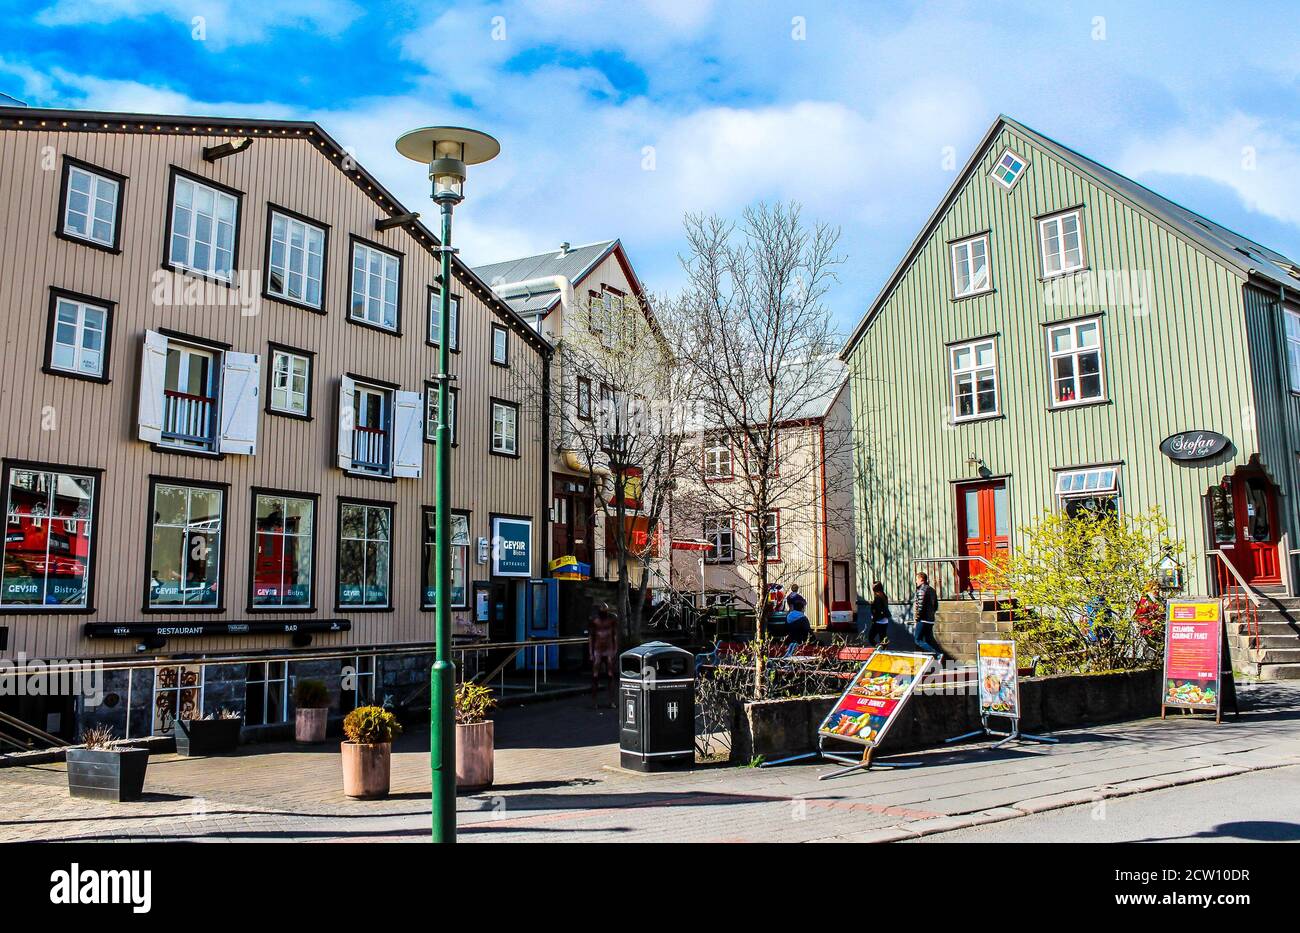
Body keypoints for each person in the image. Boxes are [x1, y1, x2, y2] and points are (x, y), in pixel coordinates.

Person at [589, 602, 619, 708]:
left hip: (608, 649)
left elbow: (614, 635)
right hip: (598, 650)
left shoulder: (612, 620)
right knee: (595, 676)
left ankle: (611, 701)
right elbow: (591, 636)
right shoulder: (594, 621)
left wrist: (615, 649)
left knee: (610, 675)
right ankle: (594, 701)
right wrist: (591, 652)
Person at [912, 572, 940, 657]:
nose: (916, 581)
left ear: (921, 579)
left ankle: (937, 654)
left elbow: (920, 607)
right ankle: (937, 656)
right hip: (930, 620)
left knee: (918, 640)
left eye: (917, 579)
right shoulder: (932, 590)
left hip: (923, 619)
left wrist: (917, 619)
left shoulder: (921, 590)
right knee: (929, 640)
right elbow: (936, 606)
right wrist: (931, 615)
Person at [868, 581, 892, 647]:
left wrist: (874, 619)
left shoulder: (877, 598)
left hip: (878, 621)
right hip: (885, 621)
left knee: (871, 638)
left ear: (875, 589)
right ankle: (884, 651)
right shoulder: (884, 596)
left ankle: (879, 648)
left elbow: (878, 611)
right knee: (883, 638)